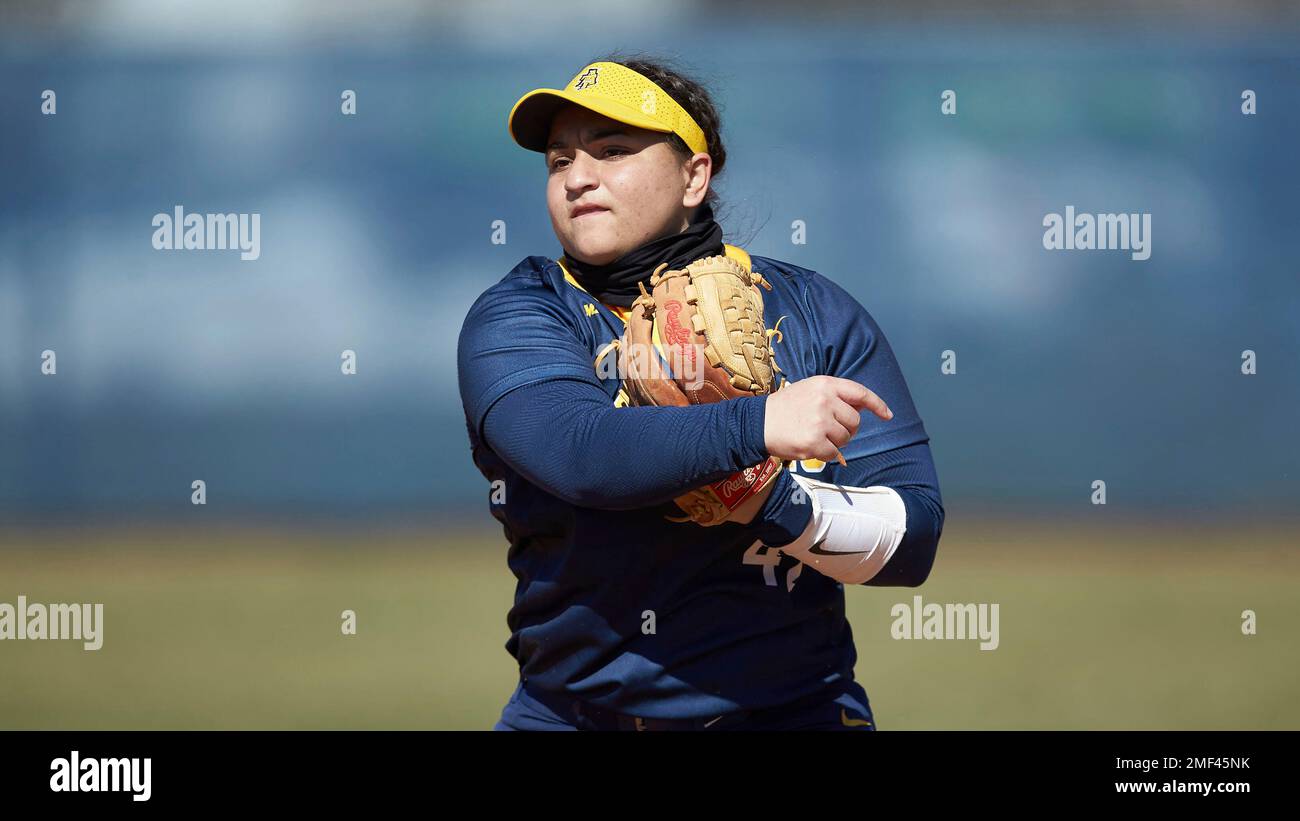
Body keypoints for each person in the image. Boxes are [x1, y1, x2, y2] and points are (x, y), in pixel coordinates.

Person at [457, 55, 944, 731]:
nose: (578, 177)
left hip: (795, 712)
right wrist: (758, 423)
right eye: (559, 160)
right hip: (581, 715)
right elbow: (583, 454)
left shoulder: (812, 312)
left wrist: (769, 499)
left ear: (694, 175)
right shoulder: (524, 314)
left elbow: (911, 538)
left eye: (613, 150)